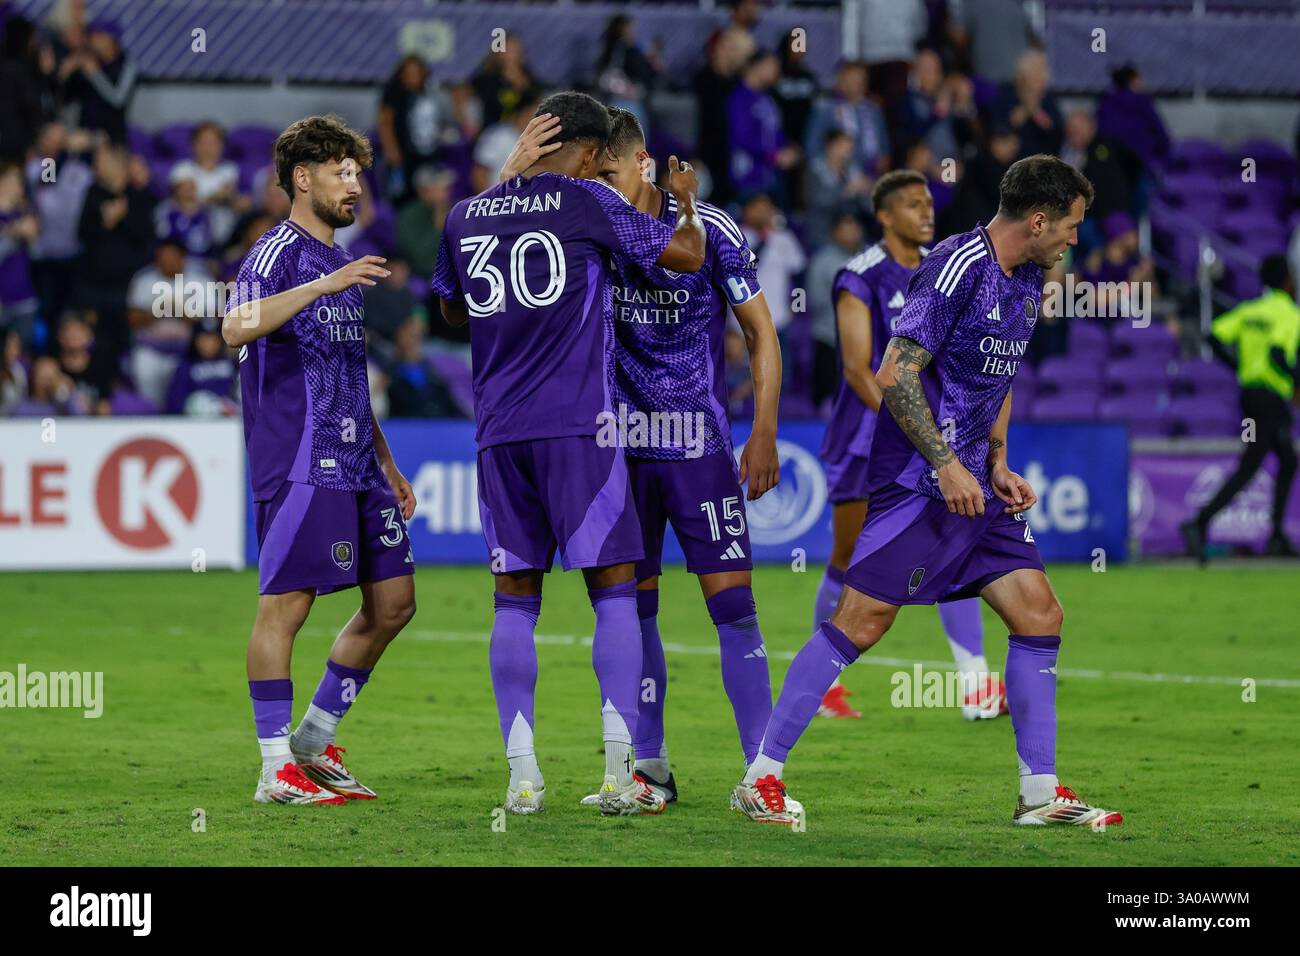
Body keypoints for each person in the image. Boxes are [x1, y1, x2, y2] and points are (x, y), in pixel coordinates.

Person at [732, 155, 1124, 830]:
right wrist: (945, 462)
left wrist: (996, 460)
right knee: (862, 622)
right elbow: (893, 373)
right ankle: (760, 777)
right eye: (1072, 225)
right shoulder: (956, 266)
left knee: (1039, 614)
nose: (1074, 239)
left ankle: (1039, 793)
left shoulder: (1030, 280)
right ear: (1038, 219)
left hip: (975, 482)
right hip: (916, 481)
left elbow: (996, 381)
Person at [431, 91, 706, 817]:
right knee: (614, 589)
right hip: (583, 430)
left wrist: (501, 182)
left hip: (498, 434)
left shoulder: (465, 213)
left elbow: (453, 308)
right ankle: (620, 772)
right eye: (601, 158)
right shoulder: (588, 203)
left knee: (514, 600)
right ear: (587, 153)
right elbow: (684, 257)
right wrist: (682, 205)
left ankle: (522, 777)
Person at [543, 107, 782, 807]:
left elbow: (762, 335)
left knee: (733, 609)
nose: (604, 188)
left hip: (697, 445)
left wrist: (762, 431)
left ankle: (761, 774)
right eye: (596, 178)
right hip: (619, 454)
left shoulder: (714, 230)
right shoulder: (593, 230)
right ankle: (648, 770)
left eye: (610, 174)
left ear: (640, 161)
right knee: (632, 612)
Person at [220, 115, 417, 806]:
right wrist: (318, 290)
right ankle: (275, 767)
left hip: (358, 462)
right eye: (340, 171)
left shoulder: (342, 263)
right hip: (300, 462)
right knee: (286, 606)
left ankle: (314, 739)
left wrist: (386, 462)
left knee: (394, 604)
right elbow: (234, 324)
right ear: (302, 179)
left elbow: (349, 377)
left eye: (357, 172)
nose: (353, 184)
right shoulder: (278, 253)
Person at [812, 170, 1004, 724]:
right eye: (913, 205)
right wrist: (913, 430)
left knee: (959, 543)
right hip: (866, 441)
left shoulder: (944, 268)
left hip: (936, 439)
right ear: (885, 216)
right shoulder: (861, 275)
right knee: (850, 559)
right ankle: (825, 686)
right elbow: (857, 366)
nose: (926, 213)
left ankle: (975, 686)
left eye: (928, 203)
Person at [1181, 256, 1300, 561]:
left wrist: (1238, 367)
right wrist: (1295, 380)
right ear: (1287, 280)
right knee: (1253, 466)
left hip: (1251, 396)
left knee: (1287, 459)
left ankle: (1275, 534)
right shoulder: (1288, 313)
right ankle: (1199, 522)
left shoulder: (1249, 311)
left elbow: (1213, 336)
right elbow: (1277, 354)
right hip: (1272, 398)